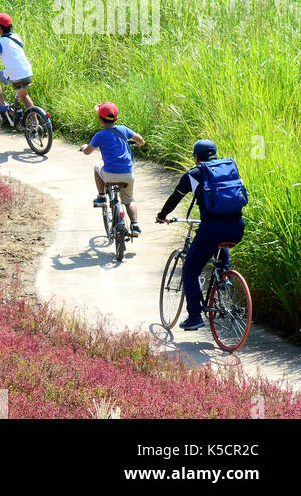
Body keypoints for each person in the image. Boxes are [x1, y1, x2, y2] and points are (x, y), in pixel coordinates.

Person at [155, 140, 249, 331]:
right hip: (237, 227)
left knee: (190, 270)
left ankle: (195, 316)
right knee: (220, 243)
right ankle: (225, 276)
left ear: (196, 157)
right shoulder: (228, 169)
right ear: (215, 154)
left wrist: (161, 216)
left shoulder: (194, 174)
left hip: (211, 230)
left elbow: (175, 198)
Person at [79, 102, 146, 237]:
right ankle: (135, 225)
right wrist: (137, 144)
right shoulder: (124, 130)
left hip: (110, 175)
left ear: (100, 120)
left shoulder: (99, 135)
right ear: (116, 118)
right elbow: (141, 141)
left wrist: (84, 146)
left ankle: (102, 196)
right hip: (128, 174)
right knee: (129, 200)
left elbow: (87, 152)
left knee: (97, 166)